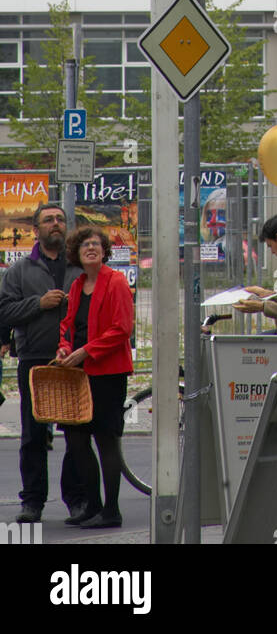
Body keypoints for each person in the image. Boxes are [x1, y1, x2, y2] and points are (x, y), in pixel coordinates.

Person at [0, 202, 88, 524]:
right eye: (49, 220)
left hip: (74, 361)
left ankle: (76, 499)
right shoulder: (20, 271)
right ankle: (33, 501)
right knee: (33, 434)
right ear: (36, 230)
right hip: (35, 360)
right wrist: (38, 304)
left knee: (77, 434)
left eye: (60, 220)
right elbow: (4, 312)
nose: (56, 224)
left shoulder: (79, 268)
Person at [55, 226, 135, 529]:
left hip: (107, 373)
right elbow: (67, 324)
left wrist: (86, 351)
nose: (91, 247)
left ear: (104, 251)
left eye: (97, 244)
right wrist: (64, 348)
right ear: (76, 253)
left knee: (105, 439)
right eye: (85, 244)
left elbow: (121, 328)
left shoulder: (115, 282)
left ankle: (111, 510)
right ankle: (92, 504)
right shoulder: (77, 286)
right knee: (76, 439)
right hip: (78, 372)